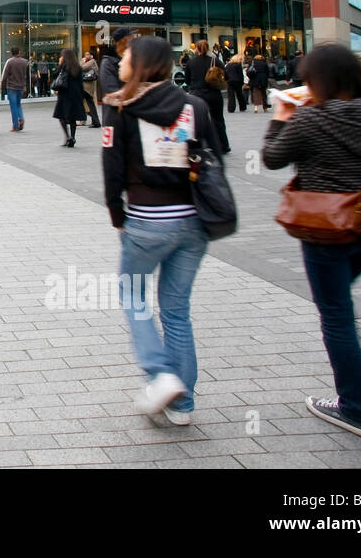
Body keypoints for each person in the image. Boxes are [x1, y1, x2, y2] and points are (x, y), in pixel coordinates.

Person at [262, 43, 361, 439]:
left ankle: (354, 408)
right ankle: (355, 385)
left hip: (326, 229)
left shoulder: (309, 120)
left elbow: (271, 158)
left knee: (335, 314)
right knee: (340, 307)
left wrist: (282, 115)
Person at [102, 35, 221, 425]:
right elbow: (213, 157)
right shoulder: (195, 105)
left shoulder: (120, 107)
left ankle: (160, 373)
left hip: (148, 220)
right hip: (194, 221)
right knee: (176, 311)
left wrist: (118, 216)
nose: (120, 63)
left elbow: (112, 169)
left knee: (133, 294)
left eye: (126, 58)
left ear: (141, 65)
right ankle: (183, 406)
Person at [185, 39, 230, 154]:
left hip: (197, 94)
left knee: (196, 121)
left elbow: (187, 80)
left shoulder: (191, 62)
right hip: (214, 94)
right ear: (208, 48)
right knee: (218, 120)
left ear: (197, 49)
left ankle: (198, 146)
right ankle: (223, 145)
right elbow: (226, 75)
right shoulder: (215, 61)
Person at [99, 28, 134, 123]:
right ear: (121, 42)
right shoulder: (108, 63)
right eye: (129, 38)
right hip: (114, 119)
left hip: (132, 119)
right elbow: (111, 92)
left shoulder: (133, 59)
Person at [52, 48, 85, 147]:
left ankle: (67, 137)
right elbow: (80, 82)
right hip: (75, 94)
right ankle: (73, 137)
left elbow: (55, 76)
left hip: (64, 94)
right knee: (72, 118)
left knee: (61, 116)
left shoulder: (64, 66)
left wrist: (59, 64)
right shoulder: (77, 67)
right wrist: (81, 95)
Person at [0, 47, 30, 133]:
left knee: (13, 107)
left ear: (11, 53)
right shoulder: (25, 62)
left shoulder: (10, 62)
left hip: (12, 87)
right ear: (19, 52)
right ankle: (21, 118)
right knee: (18, 104)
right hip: (20, 87)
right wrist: (25, 85)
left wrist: (2, 86)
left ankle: (15, 126)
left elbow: (5, 75)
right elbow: (25, 75)